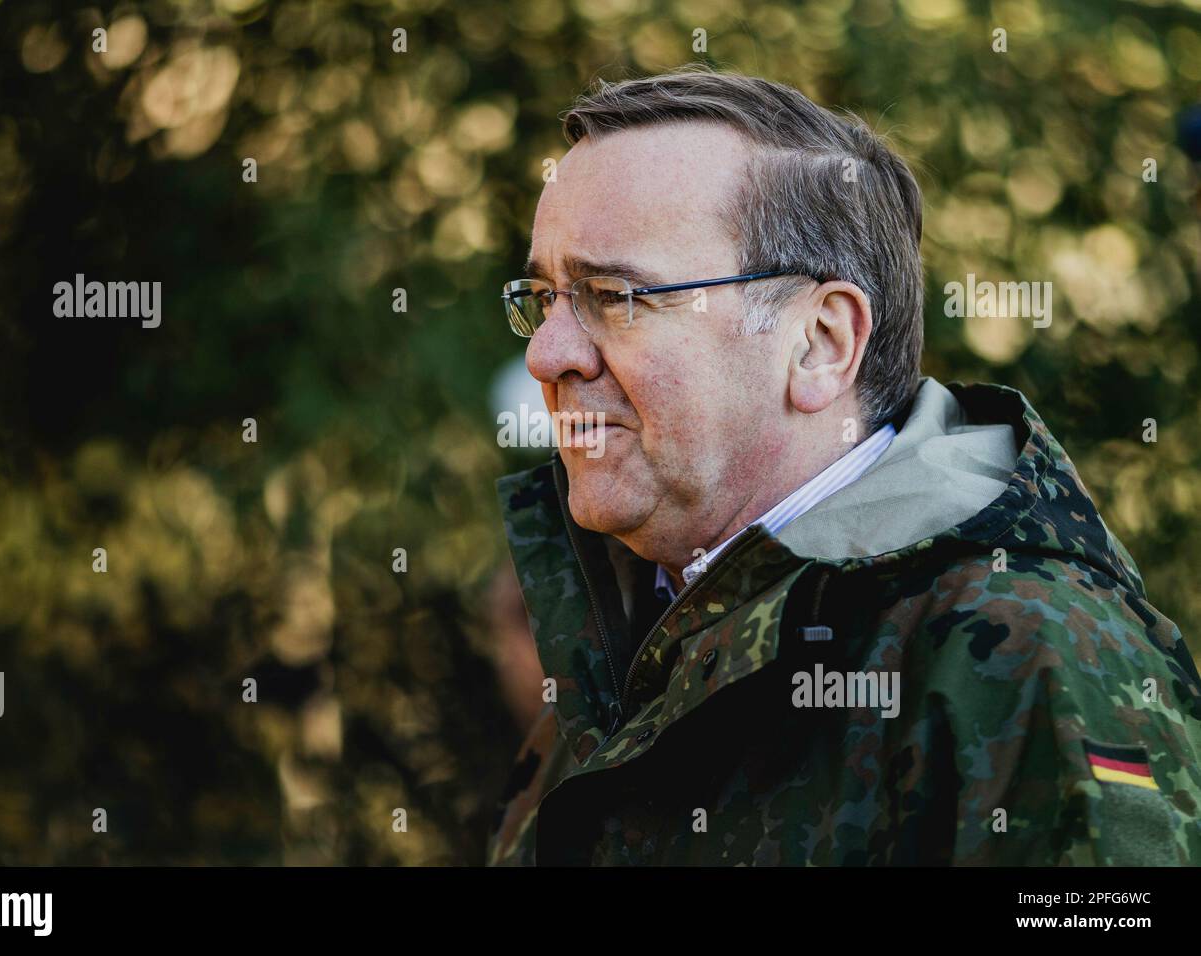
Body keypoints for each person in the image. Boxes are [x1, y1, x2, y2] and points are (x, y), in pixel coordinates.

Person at [486, 64, 1201, 866]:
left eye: (614, 296)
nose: (547, 354)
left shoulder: (1027, 661)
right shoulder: (614, 657)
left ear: (821, 344)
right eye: (543, 298)